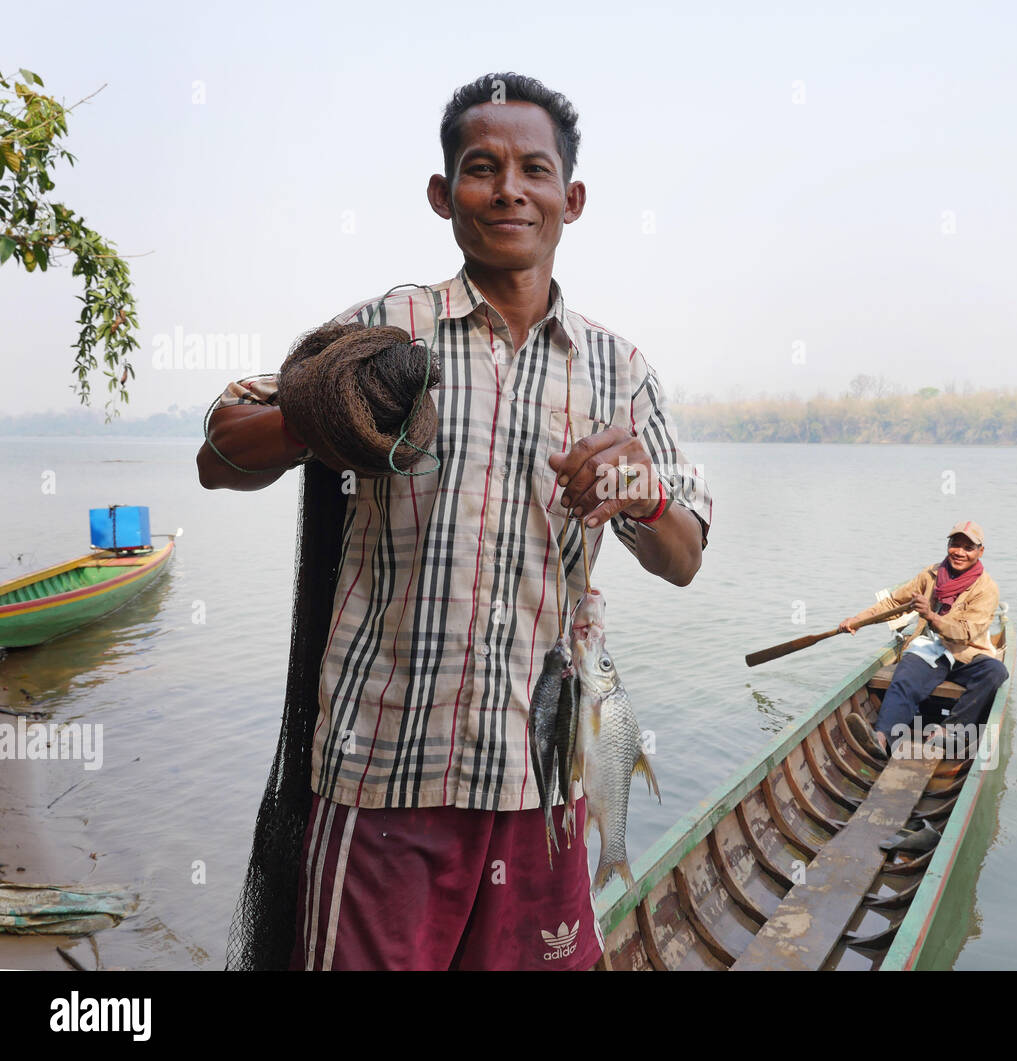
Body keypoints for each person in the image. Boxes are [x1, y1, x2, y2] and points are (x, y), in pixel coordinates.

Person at [197, 72, 712, 970]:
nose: (509, 189)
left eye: (534, 171)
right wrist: (325, 413)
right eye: (482, 168)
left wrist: (643, 493)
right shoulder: (385, 332)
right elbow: (220, 458)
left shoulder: (618, 369)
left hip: (542, 781)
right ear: (444, 195)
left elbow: (685, 558)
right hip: (382, 774)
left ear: (571, 199)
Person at [838, 521, 1006, 758]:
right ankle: (882, 737)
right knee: (904, 677)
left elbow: (964, 632)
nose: (959, 552)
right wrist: (858, 620)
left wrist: (930, 615)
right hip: (930, 649)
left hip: (964, 653)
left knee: (995, 672)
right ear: (948, 546)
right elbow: (895, 603)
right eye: (955, 545)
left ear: (980, 552)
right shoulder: (931, 574)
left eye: (968, 548)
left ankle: (949, 731)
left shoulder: (986, 588)